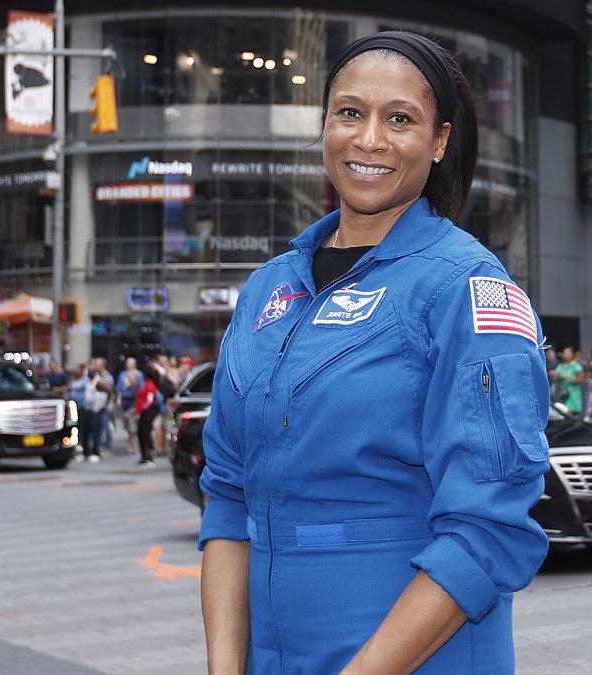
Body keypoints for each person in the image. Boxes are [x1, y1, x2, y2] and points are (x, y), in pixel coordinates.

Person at [199, 31, 550, 674]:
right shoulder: (266, 289)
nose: (370, 140)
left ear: (439, 141)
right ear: (326, 124)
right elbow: (228, 497)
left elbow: (487, 529)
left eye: (400, 119)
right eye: (350, 113)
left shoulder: (467, 288)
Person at [117, 357, 144, 455]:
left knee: (134, 426)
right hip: (125, 402)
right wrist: (119, 399)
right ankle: (130, 443)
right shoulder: (122, 374)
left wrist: (134, 382)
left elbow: (141, 388)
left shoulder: (139, 374)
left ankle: (135, 445)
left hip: (134, 402)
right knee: (128, 425)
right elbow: (119, 388)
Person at [134, 363, 160, 467]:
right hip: (144, 411)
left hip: (147, 412)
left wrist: (141, 409)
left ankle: (148, 454)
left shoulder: (149, 385)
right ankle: (145, 454)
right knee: (142, 433)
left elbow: (149, 400)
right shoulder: (147, 384)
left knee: (145, 433)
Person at [552, 346, 584, 414]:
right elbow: (554, 379)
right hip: (563, 392)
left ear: (572, 354)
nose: (566, 355)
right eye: (564, 353)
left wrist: (573, 379)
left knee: (570, 412)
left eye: (568, 353)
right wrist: (556, 375)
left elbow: (581, 379)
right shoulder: (560, 366)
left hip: (573, 392)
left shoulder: (576, 365)